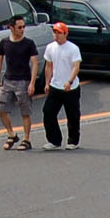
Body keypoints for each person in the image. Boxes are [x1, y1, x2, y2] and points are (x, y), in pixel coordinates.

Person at [0, 14, 40, 151]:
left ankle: (26, 139)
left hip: (23, 80)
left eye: (24, 27)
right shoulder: (4, 42)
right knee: (1, 110)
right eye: (19, 27)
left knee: (25, 112)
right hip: (8, 80)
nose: (22, 29)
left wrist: (32, 83)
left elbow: (35, 63)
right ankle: (11, 134)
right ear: (11, 28)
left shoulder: (29, 43)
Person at [40, 21, 83, 151]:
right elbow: (48, 66)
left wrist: (69, 81)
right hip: (55, 85)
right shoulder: (50, 47)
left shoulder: (73, 48)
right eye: (55, 32)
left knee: (73, 115)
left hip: (71, 87)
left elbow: (76, 67)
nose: (56, 35)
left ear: (65, 34)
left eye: (59, 33)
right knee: (48, 112)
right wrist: (47, 83)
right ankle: (54, 140)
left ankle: (73, 141)